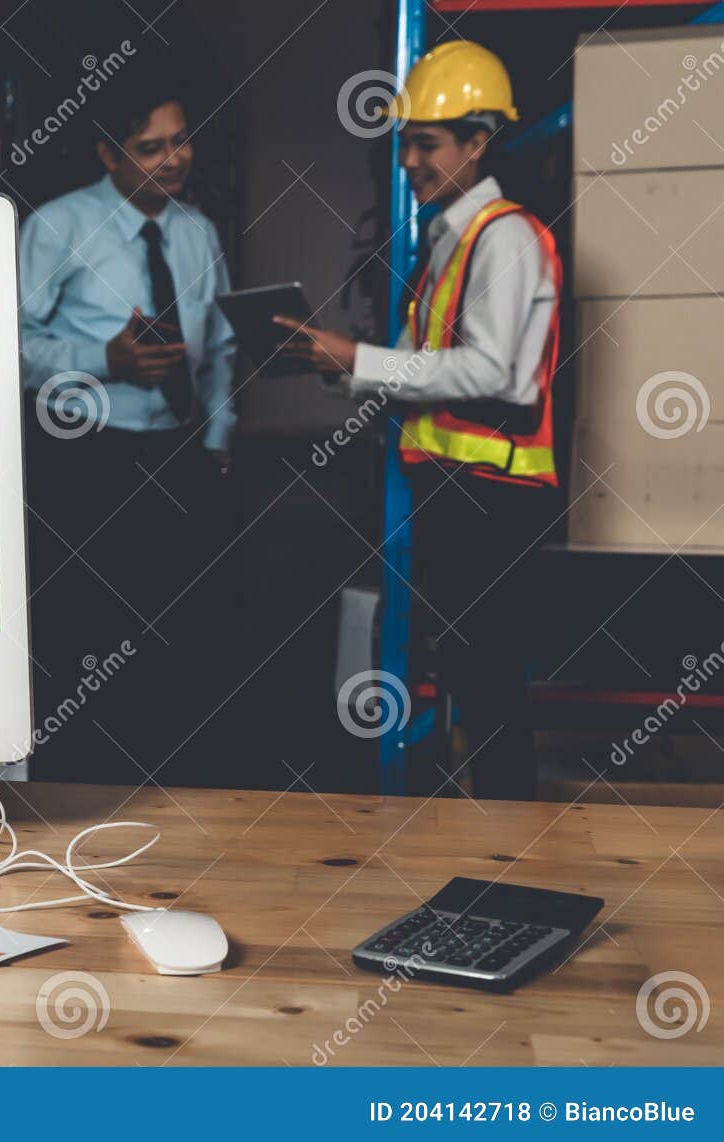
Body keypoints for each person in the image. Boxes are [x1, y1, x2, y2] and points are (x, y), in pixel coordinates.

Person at [275, 41, 561, 801]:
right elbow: (412, 369)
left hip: (495, 491)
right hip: (457, 488)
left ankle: (511, 835)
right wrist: (332, 364)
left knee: (490, 678)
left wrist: (358, 357)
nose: (408, 162)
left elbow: (490, 372)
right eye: (405, 143)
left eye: (426, 144)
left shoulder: (505, 237)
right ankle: (493, 830)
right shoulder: (449, 242)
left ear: (478, 142)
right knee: (470, 671)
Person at [17, 78, 239, 785]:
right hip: (85, 455)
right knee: (83, 631)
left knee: (177, 627)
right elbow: (6, 341)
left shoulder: (198, 232)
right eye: (150, 148)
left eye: (181, 140)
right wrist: (102, 360)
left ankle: (168, 786)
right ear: (109, 155)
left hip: (178, 451)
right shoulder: (57, 226)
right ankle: (80, 786)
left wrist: (217, 441)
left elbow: (222, 345)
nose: (174, 159)